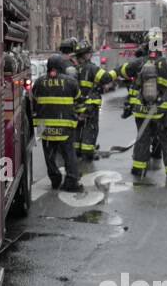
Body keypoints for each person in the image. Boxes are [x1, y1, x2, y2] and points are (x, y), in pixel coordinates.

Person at [124, 42, 167, 181]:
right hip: (163, 112)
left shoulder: (141, 65)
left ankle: (138, 169)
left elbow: (133, 88)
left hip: (142, 112)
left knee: (142, 140)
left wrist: (131, 105)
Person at [33, 54, 84, 193]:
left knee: (49, 156)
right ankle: (71, 181)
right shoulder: (71, 82)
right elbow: (79, 102)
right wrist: (80, 115)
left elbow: (34, 103)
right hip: (65, 125)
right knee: (69, 155)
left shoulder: (38, 82)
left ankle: (55, 180)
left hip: (44, 127)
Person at [74, 40, 116, 160]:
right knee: (90, 129)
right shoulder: (92, 69)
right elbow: (106, 78)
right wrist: (118, 71)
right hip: (90, 107)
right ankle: (88, 153)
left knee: (78, 129)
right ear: (86, 55)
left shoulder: (75, 69)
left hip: (77, 107)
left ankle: (77, 151)